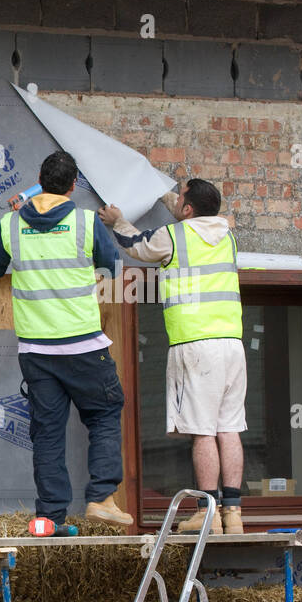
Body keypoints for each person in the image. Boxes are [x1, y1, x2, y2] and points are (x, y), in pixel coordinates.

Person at [0, 150, 132, 536]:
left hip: (37, 351)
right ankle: (101, 498)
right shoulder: (85, 222)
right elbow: (114, 268)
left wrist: (17, 223)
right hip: (83, 345)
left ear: (39, 182)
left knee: (47, 432)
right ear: (73, 185)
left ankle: (49, 517)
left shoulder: (12, 223)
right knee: (104, 413)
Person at [98, 179, 244, 535]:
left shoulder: (174, 236)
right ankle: (233, 514)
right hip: (232, 344)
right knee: (229, 429)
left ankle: (206, 514)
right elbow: (196, 215)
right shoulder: (227, 235)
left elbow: (137, 246)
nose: (176, 202)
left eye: (180, 200)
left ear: (188, 209)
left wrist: (117, 221)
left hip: (196, 344)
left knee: (202, 432)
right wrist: (162, 190)